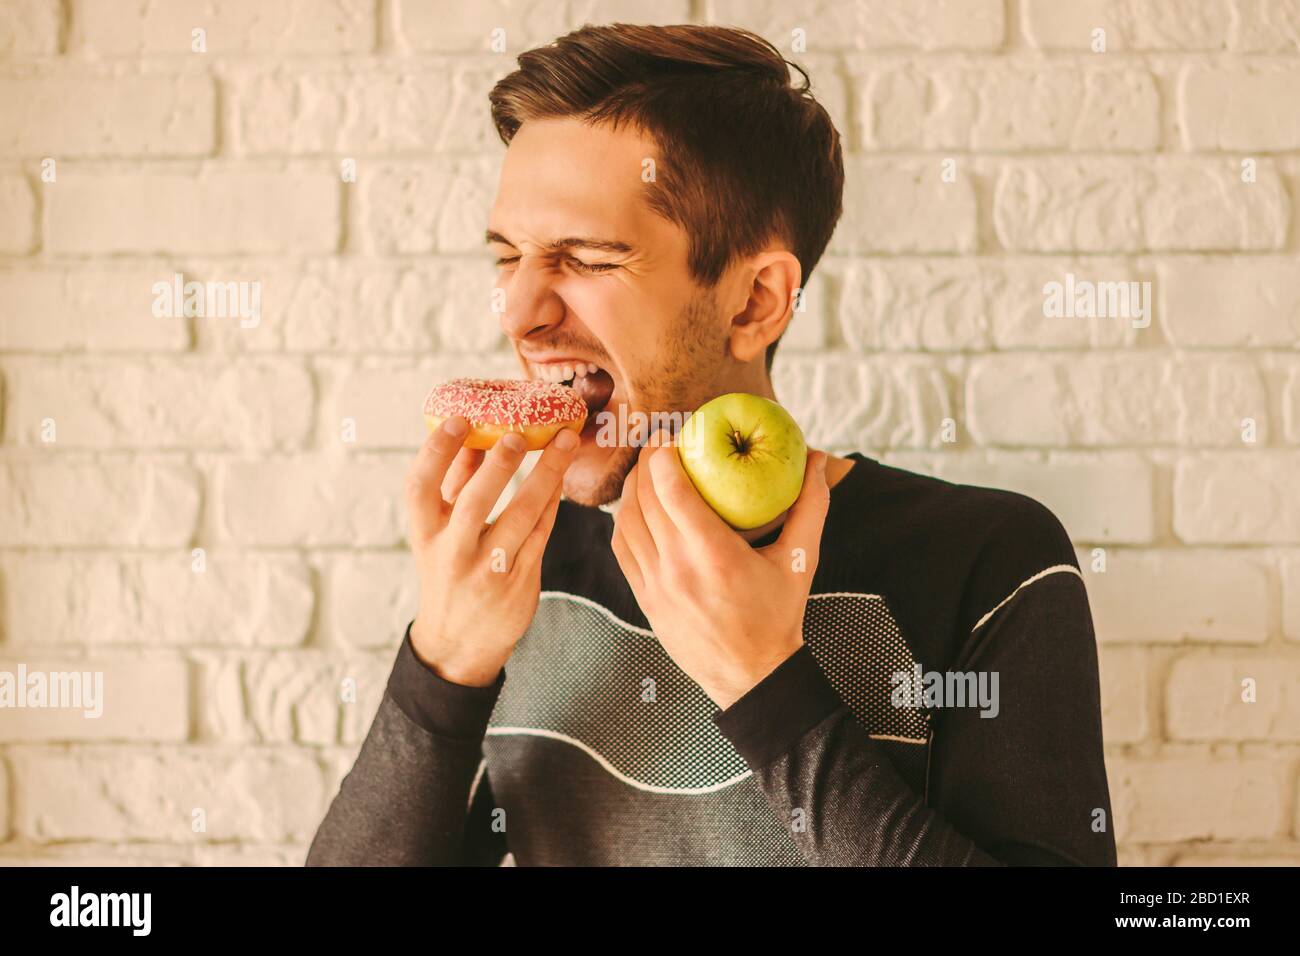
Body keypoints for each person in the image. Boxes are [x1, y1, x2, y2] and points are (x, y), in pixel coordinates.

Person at [306, 23, 1117, 866]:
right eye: (508, 258)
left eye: (583, 259)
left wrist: (765, 684)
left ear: (754, 303)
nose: (517, 313)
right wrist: (441, 664)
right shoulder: (519, 567)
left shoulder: (983, 561)